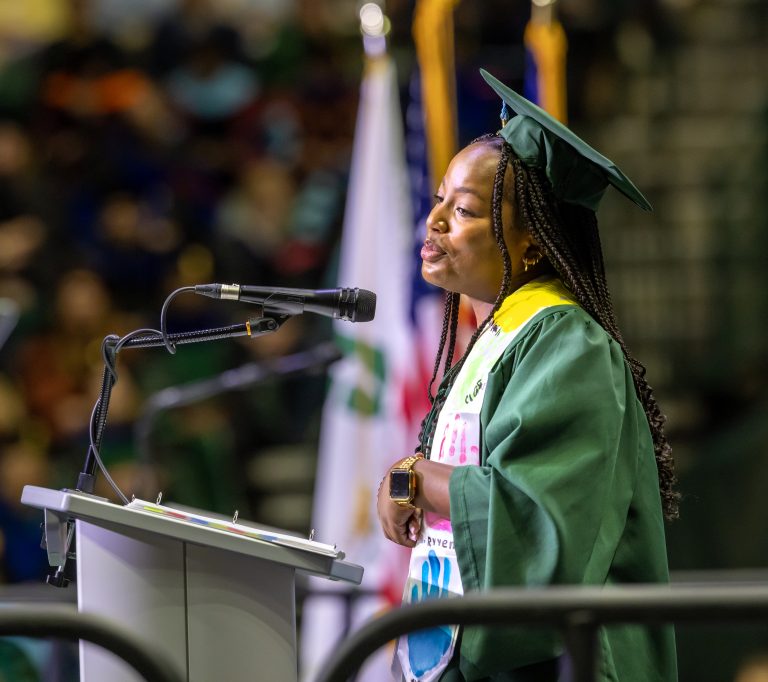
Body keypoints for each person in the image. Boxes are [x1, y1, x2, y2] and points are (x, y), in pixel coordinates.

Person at [376, 69, 678, 682]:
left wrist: (417, 476)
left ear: (533, 242)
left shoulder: (567, 344)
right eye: (438, 199)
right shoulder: (497, 338)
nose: (434, 221)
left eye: (462, 210)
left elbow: (537, 524)